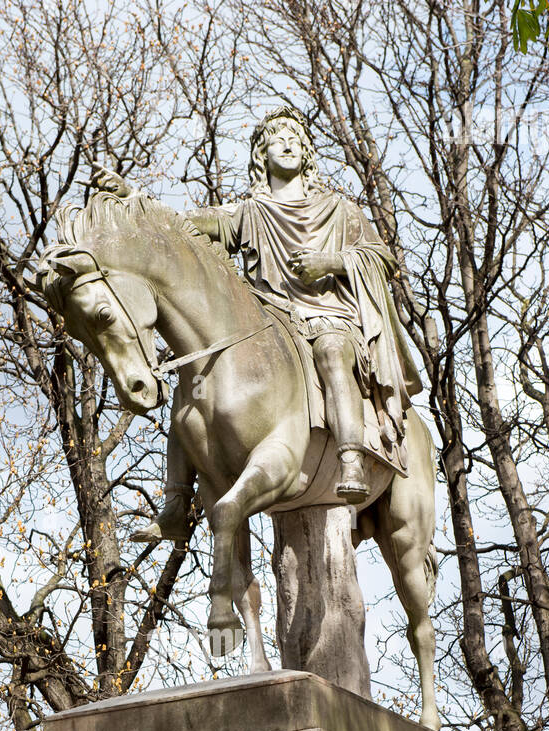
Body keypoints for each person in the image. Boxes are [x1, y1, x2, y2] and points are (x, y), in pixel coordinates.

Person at [93, 104, 421, 521]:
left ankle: (351, 455)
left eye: (294, 137)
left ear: (306, 153)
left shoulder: (340, 210)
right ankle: (176, 500)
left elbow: (381, 257)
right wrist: (133, 198)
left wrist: (331, 263)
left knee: (333, 351)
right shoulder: (249, 214)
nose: (286, 142)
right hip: (272, 320)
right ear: (261, 156)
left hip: (327, 316)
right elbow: (179, 224)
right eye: (275, 138)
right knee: (192, 384)